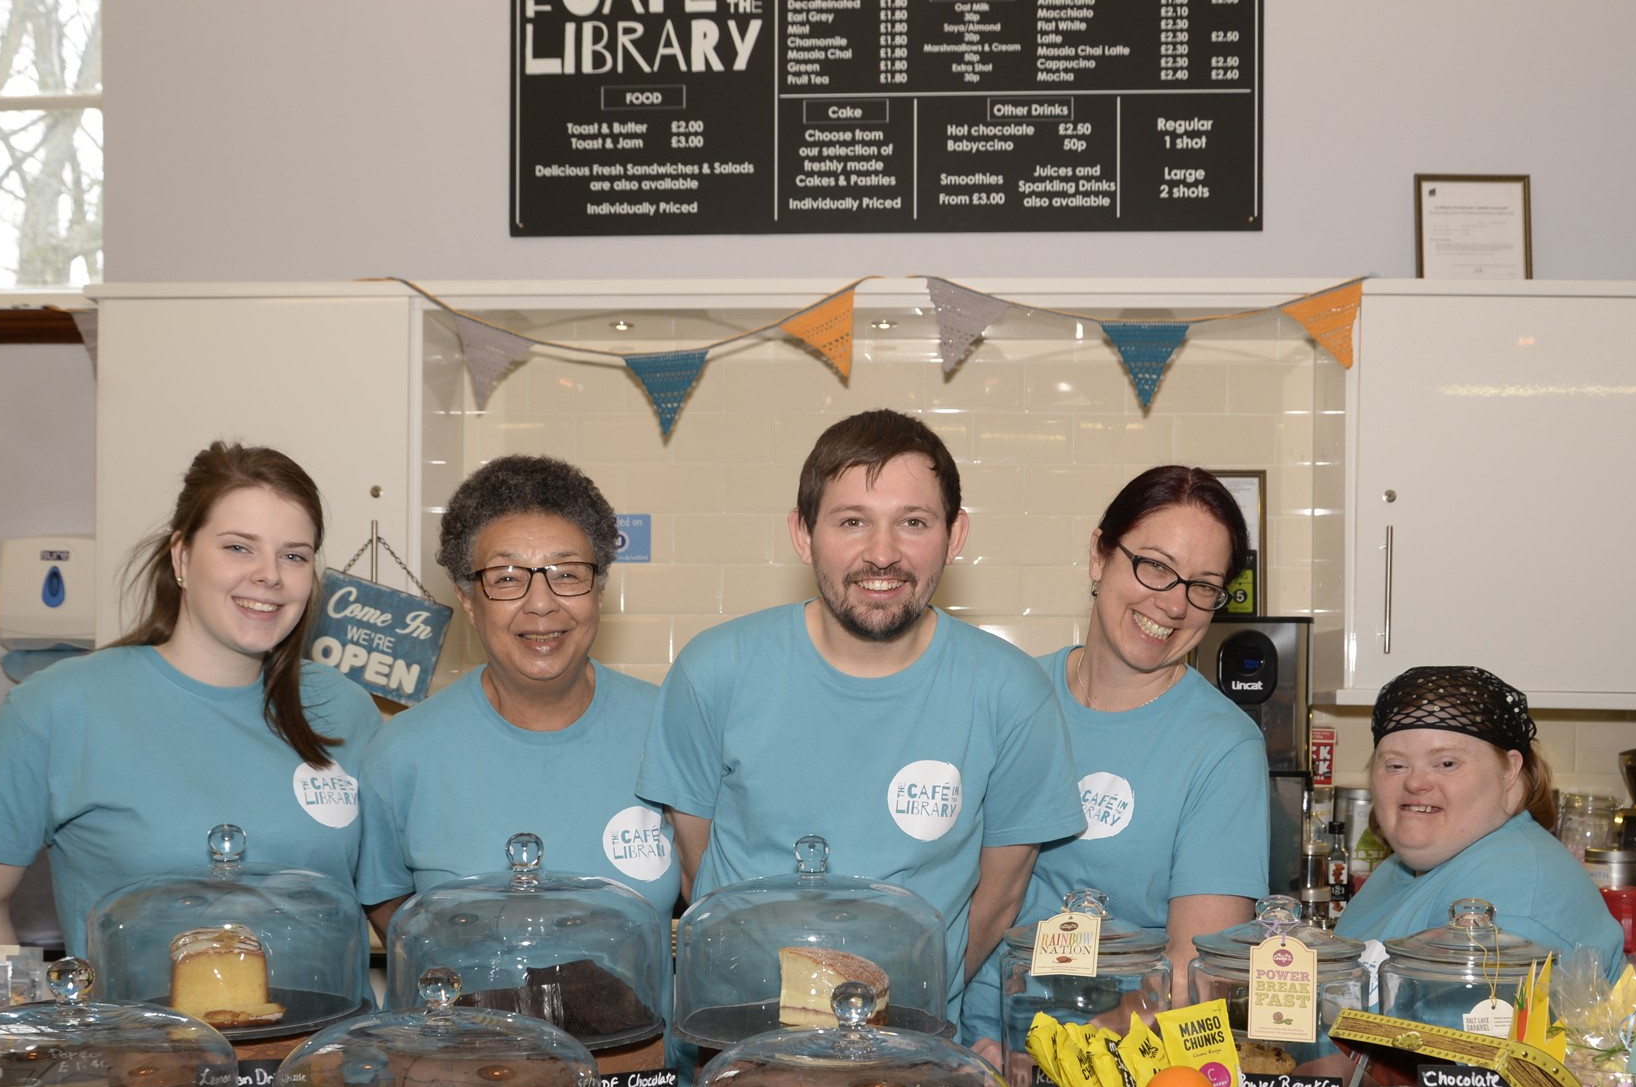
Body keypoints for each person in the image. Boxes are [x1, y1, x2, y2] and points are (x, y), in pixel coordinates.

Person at [637, 407, 1082, 1024]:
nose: (883, 554)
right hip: (736, 1044)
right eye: (852, 521)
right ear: (802, 534)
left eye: (913, 522)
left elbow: (999, 897)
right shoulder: (714, 671)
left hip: (914, 1056)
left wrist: (915, 993)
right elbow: (698, 863)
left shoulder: (1011, 693)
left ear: (954, 537)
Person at [0, 442, 383, 954]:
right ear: (182, 557)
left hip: (327, 1033)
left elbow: (385, 893)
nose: (270, 575)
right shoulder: (58, 707)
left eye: (294, 555)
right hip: (135, 1036)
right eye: (239, 547)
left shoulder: (345, 709)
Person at [962, 465, 1272, 1051]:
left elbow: (1194, 974)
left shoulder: (1222, 746)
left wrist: (1063, 1052)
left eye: (1203, 586)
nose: (1174, 604)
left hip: (1121, 1065)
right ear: (1099, 555)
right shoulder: (1014, 698)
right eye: (1155, 567)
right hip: (970, 1045)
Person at [356, 456, 676, 931]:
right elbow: (388, 904)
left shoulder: (671, 730)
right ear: (468, 600)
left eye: (567, 574)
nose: (542, 603)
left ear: (599, 592)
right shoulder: (403, 754)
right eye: (507, 578)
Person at [1335, 664, 1623, 972]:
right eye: (1395, 765)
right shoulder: (1400, 871)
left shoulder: (1513, 894)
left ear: (1509, 769)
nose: (1415, 783)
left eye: (1446, 763)